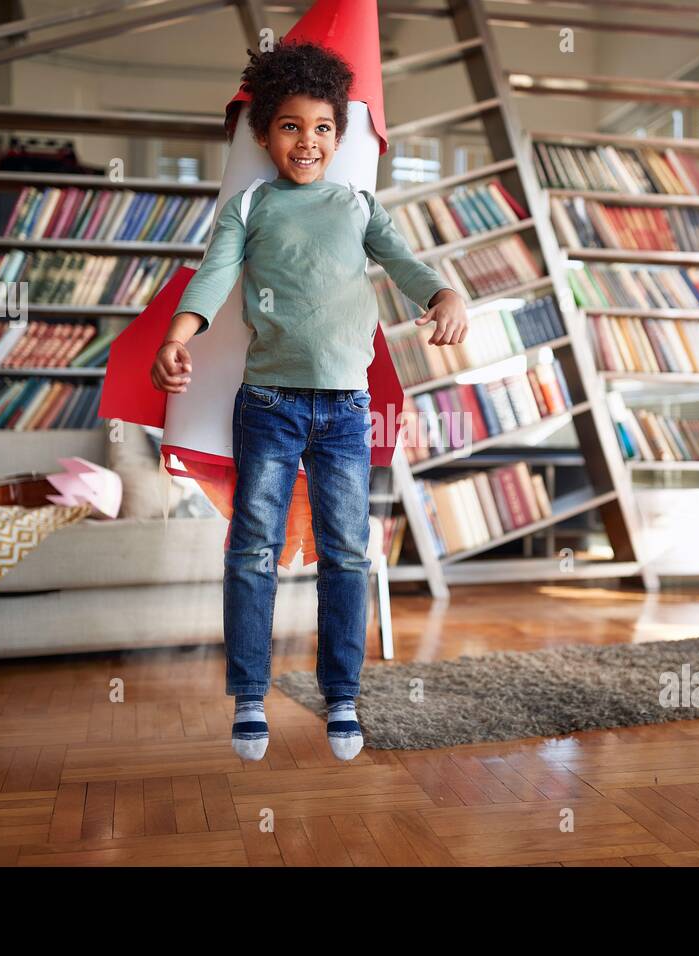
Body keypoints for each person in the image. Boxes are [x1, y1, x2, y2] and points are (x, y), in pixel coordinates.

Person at [151, 39, 468, 761]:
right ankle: (249, 697)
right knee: (252, 550)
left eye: (323, 127)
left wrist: (447, 294)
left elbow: (409, 266)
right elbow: (211, 277)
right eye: (292, 126)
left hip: (346, 413)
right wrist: (178, 337)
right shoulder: (251, 204)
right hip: (268, 405)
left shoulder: (358, 205)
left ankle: (343, 698)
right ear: (264, 135)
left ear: (340, 135)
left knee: (348, 555)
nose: (309, 141)